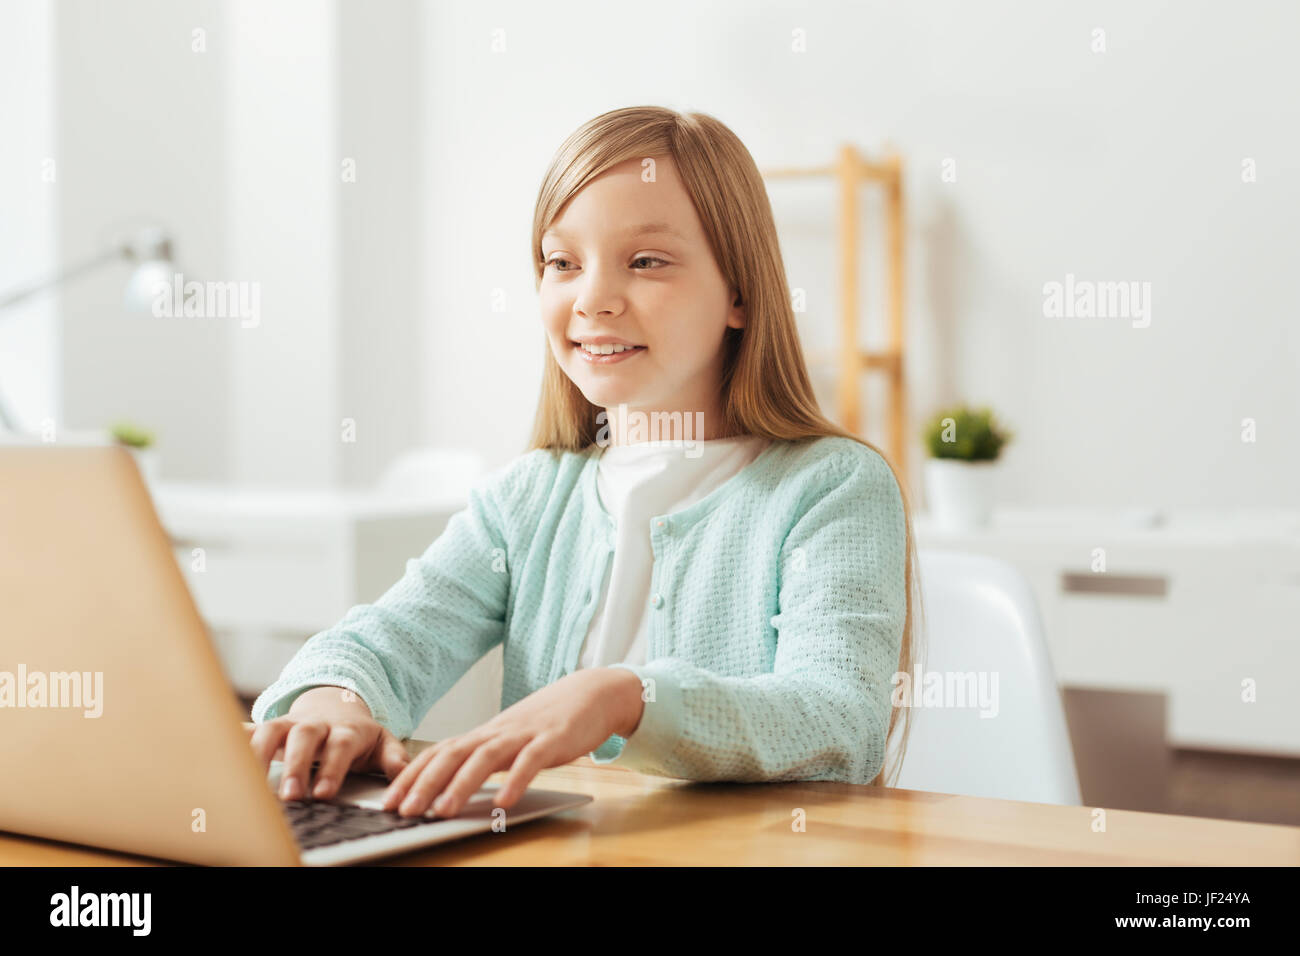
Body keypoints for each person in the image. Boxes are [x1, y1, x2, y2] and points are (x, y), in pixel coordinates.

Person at [247, 105, 923, 820]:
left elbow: (836, 720)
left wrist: (625, 697)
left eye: (645, 261)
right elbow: (387, 641)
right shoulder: (529, 497)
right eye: (561, 263)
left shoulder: (831, 487)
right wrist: (335, 702)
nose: (592, 298)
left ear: (740, 293)